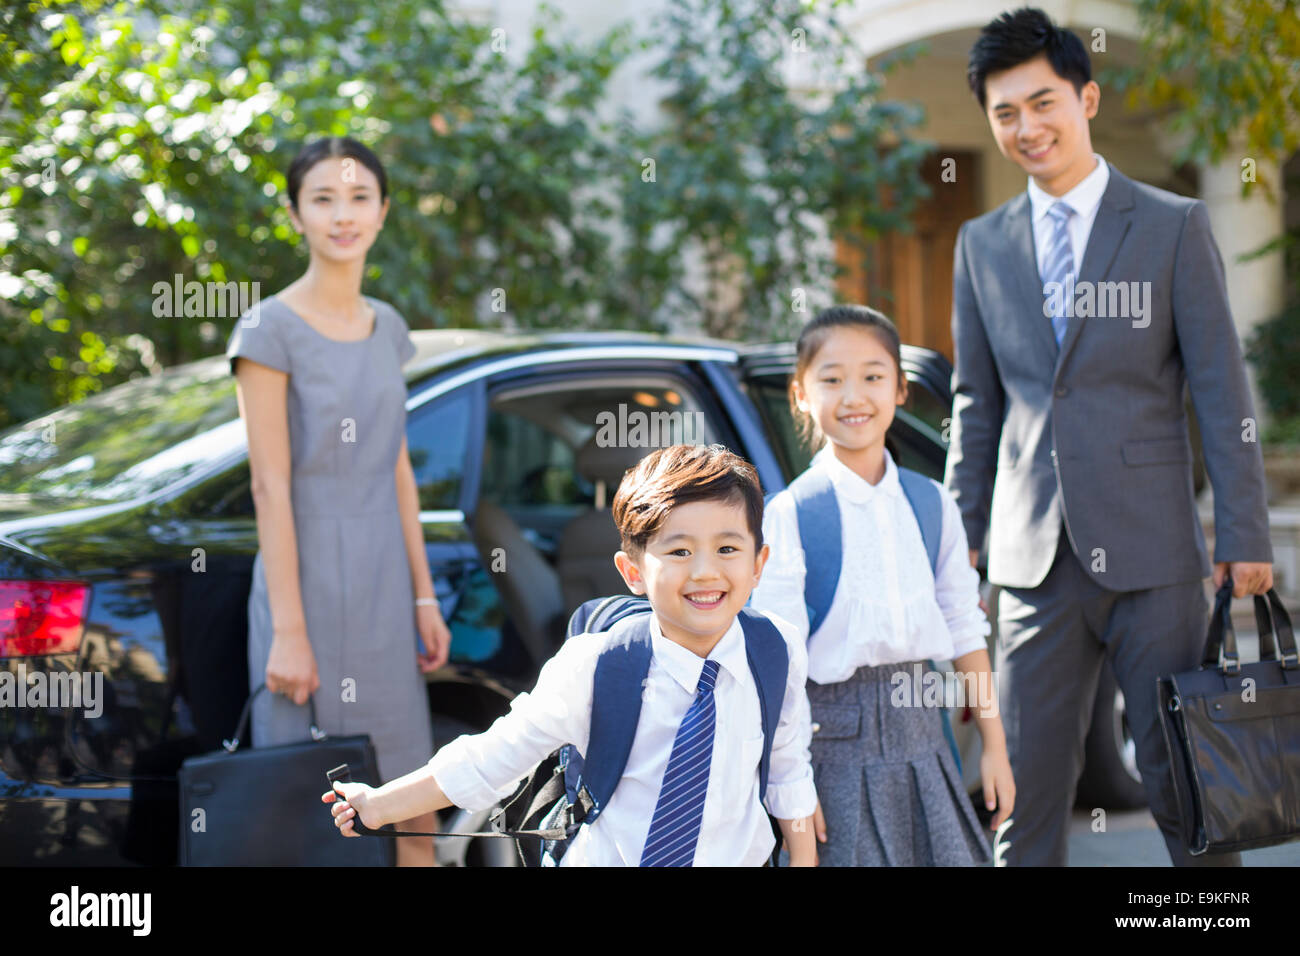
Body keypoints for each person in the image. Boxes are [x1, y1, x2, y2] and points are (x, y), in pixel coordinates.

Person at [948, 8, 1274, 866]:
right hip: (1029, 568)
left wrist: (1242, 533)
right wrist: (953, 540)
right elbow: (976, 406)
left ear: (1086, 98)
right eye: (1004, 113)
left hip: (1155, 554)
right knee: (1019, 799)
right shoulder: (980, 244)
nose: (1026, 127)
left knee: (1188, 788)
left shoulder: (1172, 226)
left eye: (1043, 103)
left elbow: (1220, 388)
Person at [324, 443, 819, 866]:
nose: (706, 572)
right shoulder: (595, 666)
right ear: (633, 573)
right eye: (680, 552)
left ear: (759, 564)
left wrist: (803, 857)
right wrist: (379, 804)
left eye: (728, 549)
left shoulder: (776, 649)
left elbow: (786, 766)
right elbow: (490, 759)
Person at [227, 136, 451, 868]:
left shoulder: (388, 327)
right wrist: (289, 632)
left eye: (359, 198)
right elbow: (270, 485)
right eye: (323, 198)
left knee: (412, 807)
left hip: (385, 585)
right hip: (307, 585)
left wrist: (424, 597)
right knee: (308, 820)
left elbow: (397, 469)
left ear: (383, 212)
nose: (342, 215)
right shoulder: (268, 329)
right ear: (295, 213)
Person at [750, 305, 1014, 866]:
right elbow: (782, 665)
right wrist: (791, 789)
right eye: (831, 378)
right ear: (800, 394)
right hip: (830, 754)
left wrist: (994, 744)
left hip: (927, 744)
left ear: (899, 389)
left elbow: (966, 626)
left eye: (873, 376)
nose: (854, 396)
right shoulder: (791, 515)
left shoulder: (932, 504)